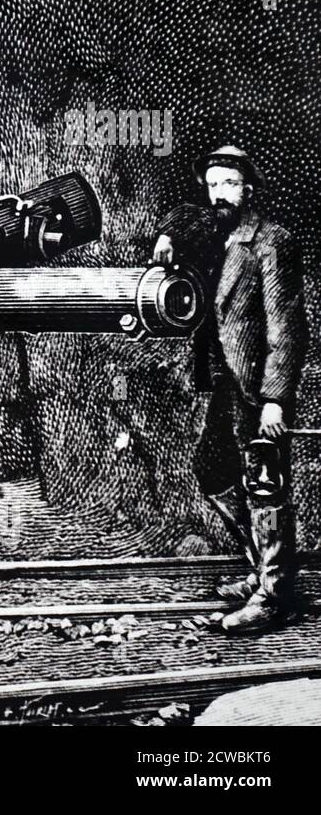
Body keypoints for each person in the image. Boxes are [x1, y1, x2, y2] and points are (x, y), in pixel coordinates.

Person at [153, 145, 308, 633]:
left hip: (257, 389)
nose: (218, 194)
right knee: (214, 470)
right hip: (225, 382)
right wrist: (167, 233)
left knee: (265, 485)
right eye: (212, 184)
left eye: (228, 184)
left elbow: (286, 328)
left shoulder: (271, 241)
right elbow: (184, 218)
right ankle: (260, 569)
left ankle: (275, 594)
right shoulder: (216, 235)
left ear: (250, 188)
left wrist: (276, 399)